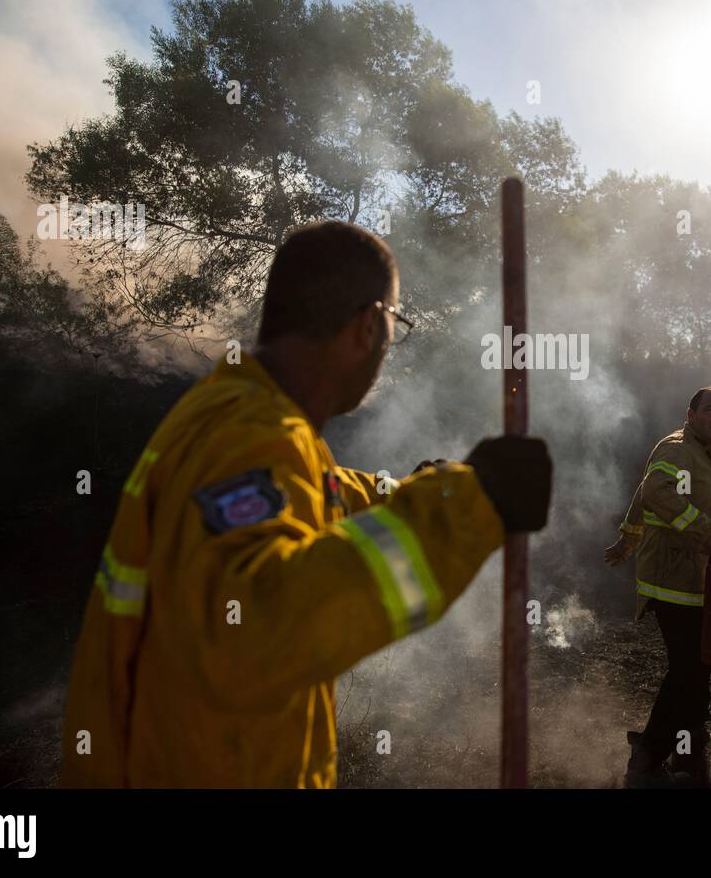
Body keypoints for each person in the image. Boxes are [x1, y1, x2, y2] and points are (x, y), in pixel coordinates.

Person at [60, 220, 551, 788]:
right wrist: (467, 506)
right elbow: (257, 627)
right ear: (368, 325)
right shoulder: (253, 429)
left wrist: (405, 489)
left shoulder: (234, 415)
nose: (391, 343)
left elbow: (302, 496)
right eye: (396, 324)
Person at [604, 386, 711, 787]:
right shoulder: (678, 449)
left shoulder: (701, 455)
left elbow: (645, 498)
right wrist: (705, 533)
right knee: (688, 673)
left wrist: (628, 536)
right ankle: (645, 762)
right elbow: (656, 492)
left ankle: (687, 759)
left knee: (696, 672)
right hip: (670, 580)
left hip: (691, 579)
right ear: (690, 413)